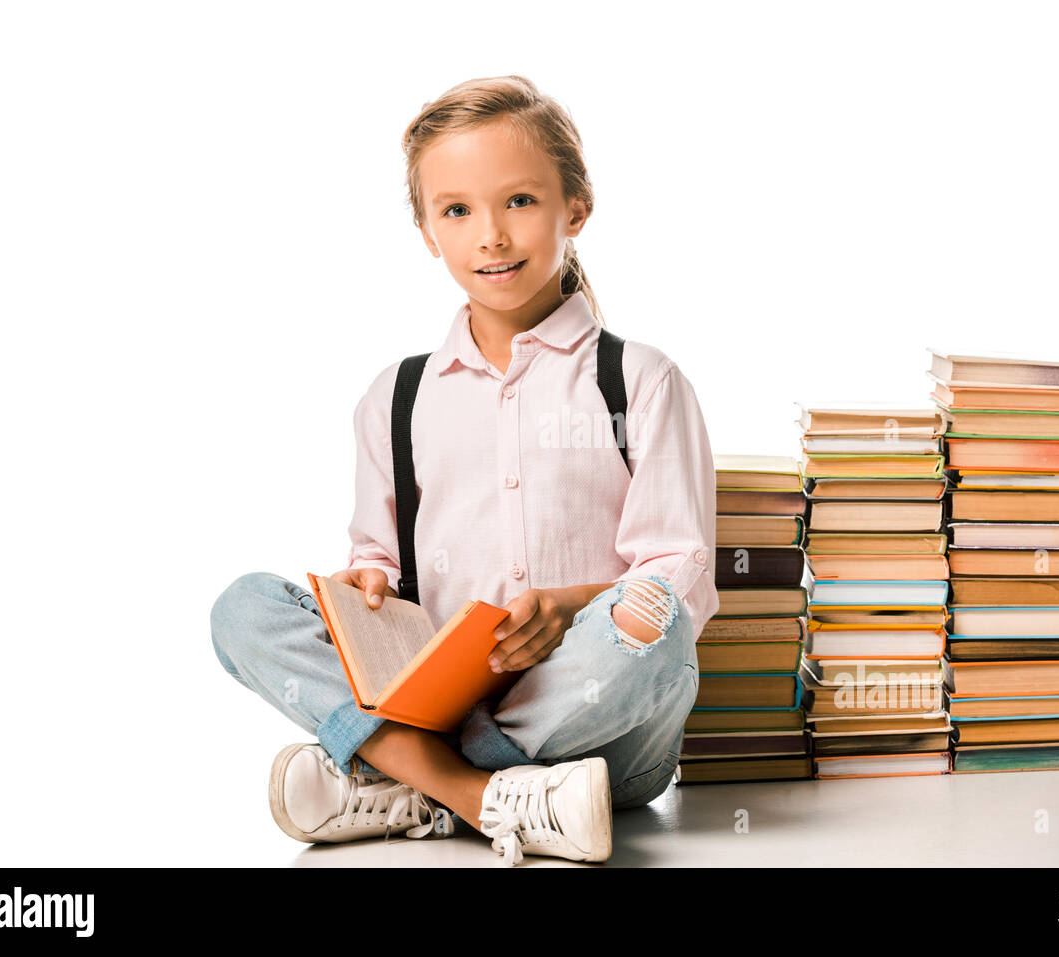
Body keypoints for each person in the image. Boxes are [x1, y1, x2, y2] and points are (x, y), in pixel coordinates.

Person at [209, 75, 719, 867]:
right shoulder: (396, 396)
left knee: (652, 629)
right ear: (426, 231)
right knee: (241, 610)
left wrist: (567, 606)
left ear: (574, 209)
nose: (491, 235)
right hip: (441, 698)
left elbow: (679, 578)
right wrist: (367, 589)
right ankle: (491, 796)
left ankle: (405, 776)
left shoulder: (641, 379)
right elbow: (380, 558)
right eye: (457, 210)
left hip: (598, 726)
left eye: (519, 201)